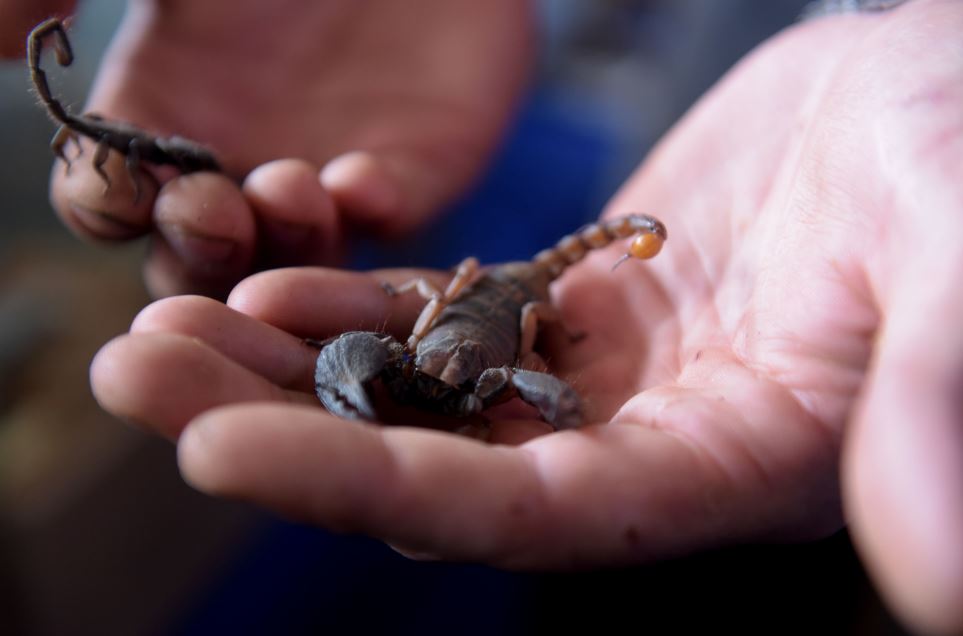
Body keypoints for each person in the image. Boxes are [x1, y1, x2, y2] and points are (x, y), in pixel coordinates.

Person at [3, 1, 961, 633]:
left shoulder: (498, 371)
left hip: (524, 294)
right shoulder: (414, 346)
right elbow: (419, 313)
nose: (435, 387)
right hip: (504, 261)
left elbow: (514, 359)